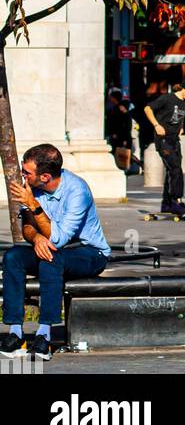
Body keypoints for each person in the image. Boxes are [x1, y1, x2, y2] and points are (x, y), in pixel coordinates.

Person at [1, 144, 111, 360]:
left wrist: (34, 205)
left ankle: (44, 335)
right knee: (13, 257)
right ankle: (16, 334)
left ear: (44, 176)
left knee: (51, 259)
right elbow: (28, 227)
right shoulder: (32, 187)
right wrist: (37, 237)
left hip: (89, 253)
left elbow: (59, 239)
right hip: (53, 249)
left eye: (27, 172)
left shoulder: (77, 190)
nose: (22, 175)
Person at [143, 75, 185, 215]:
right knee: (175, 168)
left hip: (174, 140)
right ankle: (175, 200)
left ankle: (166, 204)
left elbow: (178, 117)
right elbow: (147, 108)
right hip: (163, 140)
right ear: (184, 88)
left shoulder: (184, 104)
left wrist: (181, 127)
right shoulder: (167, 98)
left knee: (172, 170)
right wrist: (156, 125)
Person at [106, 87, 134, 172]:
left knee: (122, 155)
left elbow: (125, 123)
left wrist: (124, 137)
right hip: (119, 136)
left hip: (121, 137)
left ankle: (125, 168)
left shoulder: (120, 109)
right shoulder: (117, 108)